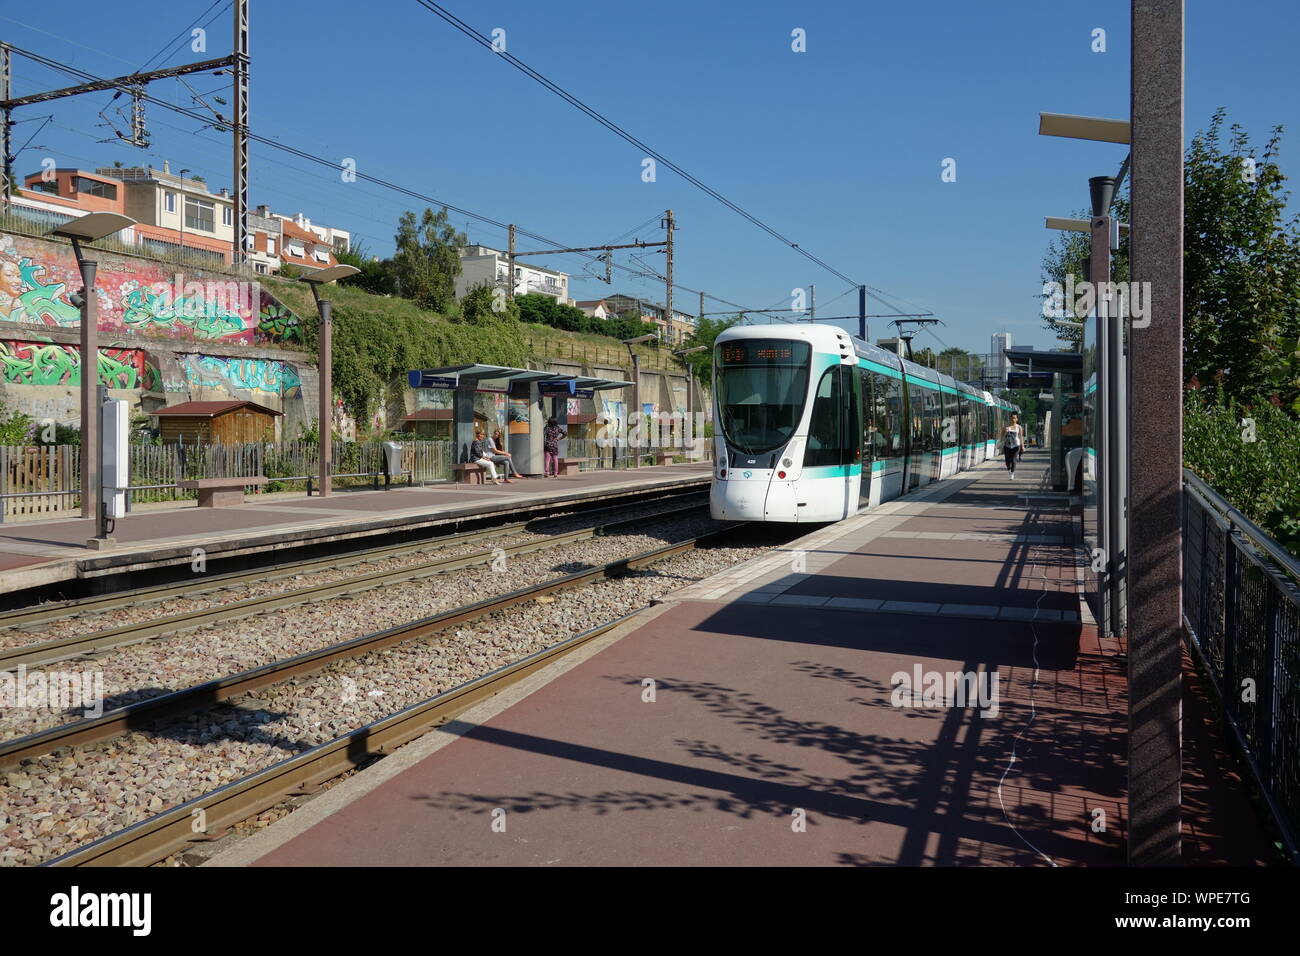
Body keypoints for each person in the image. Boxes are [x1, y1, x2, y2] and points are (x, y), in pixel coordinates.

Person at [1003, 412, 1024, 479]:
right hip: (1007, 445)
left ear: (1017, 419)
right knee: (1007, 461)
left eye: (1014, 418)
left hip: (1016, 446)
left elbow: (1021, 437)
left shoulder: (1019, 427)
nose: (1013, 419)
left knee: (1013, 459)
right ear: (1010, 418)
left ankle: (1012, 473)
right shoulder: (1006, 427)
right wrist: (1005, 432)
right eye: (1012, 418)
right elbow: (1002, 436)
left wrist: (1022, 446)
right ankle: (1009, 469)